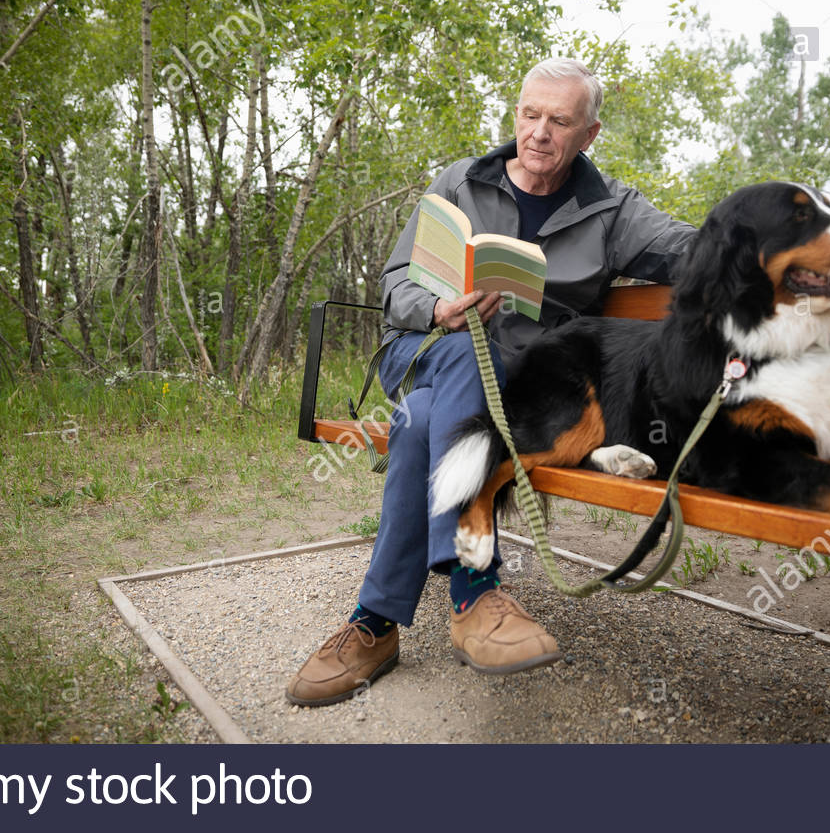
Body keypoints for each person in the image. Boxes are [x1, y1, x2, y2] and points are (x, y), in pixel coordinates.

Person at [286, 58, 697, 706]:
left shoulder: (612, 209)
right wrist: (438, 309)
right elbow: (396, 283)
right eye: (529, 114)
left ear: (588, 134)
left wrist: (763, 239)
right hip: (427, 347)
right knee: (458, 366)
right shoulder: (460, 181)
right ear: (516, 115)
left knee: (420, 420)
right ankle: (473, 587)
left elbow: (688, 248)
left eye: (559, 121)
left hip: (524, 385)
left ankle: (375, 621)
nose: (538, 132)